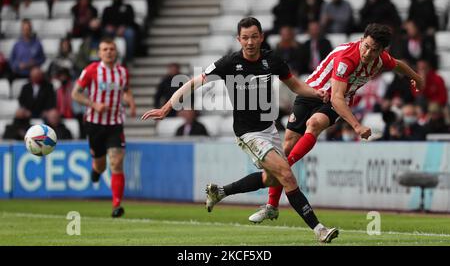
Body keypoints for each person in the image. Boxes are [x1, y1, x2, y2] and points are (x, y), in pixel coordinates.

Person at [141, 17, 339, 243]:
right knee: (286, 175)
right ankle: (319, 229)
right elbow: (193, 82)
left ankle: (221, 192)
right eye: (245, 38)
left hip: (270, 128)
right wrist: (168, 106)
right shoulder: (228, 63)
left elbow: (295, 85)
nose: (250, 42)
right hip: (248, 133)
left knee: (274, 179)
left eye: (254, 36)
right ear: (239, 39)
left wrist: (317, 93)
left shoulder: (271, 60)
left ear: (261, 37)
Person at [247, 23, 424, 224]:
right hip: (312, 93)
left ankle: (283, 168)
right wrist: (357, 126)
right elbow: (336, 98)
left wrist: (417, 78)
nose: (367, 53)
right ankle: (272, 206)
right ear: (362, 40)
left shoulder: (380, 58)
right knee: (286, 147)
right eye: (366, 46)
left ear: (382, 50)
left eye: (374, 50)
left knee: (314, 124)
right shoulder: (347, 58)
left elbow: (398, 64)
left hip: (334, 101)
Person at [71, 38, 136, 218]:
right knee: (101, 164)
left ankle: (117, 205)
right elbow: (75, 94)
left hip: (115, 124)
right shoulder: (91, 70)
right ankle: (96, 170)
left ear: (116, 52)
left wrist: (130, 101)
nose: (108, 52)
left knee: (116, 162)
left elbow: (126, 89)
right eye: (105, 49)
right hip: (95, 125)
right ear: (99, 53)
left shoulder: (122, 72)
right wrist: (93, 104)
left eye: (111, 49)